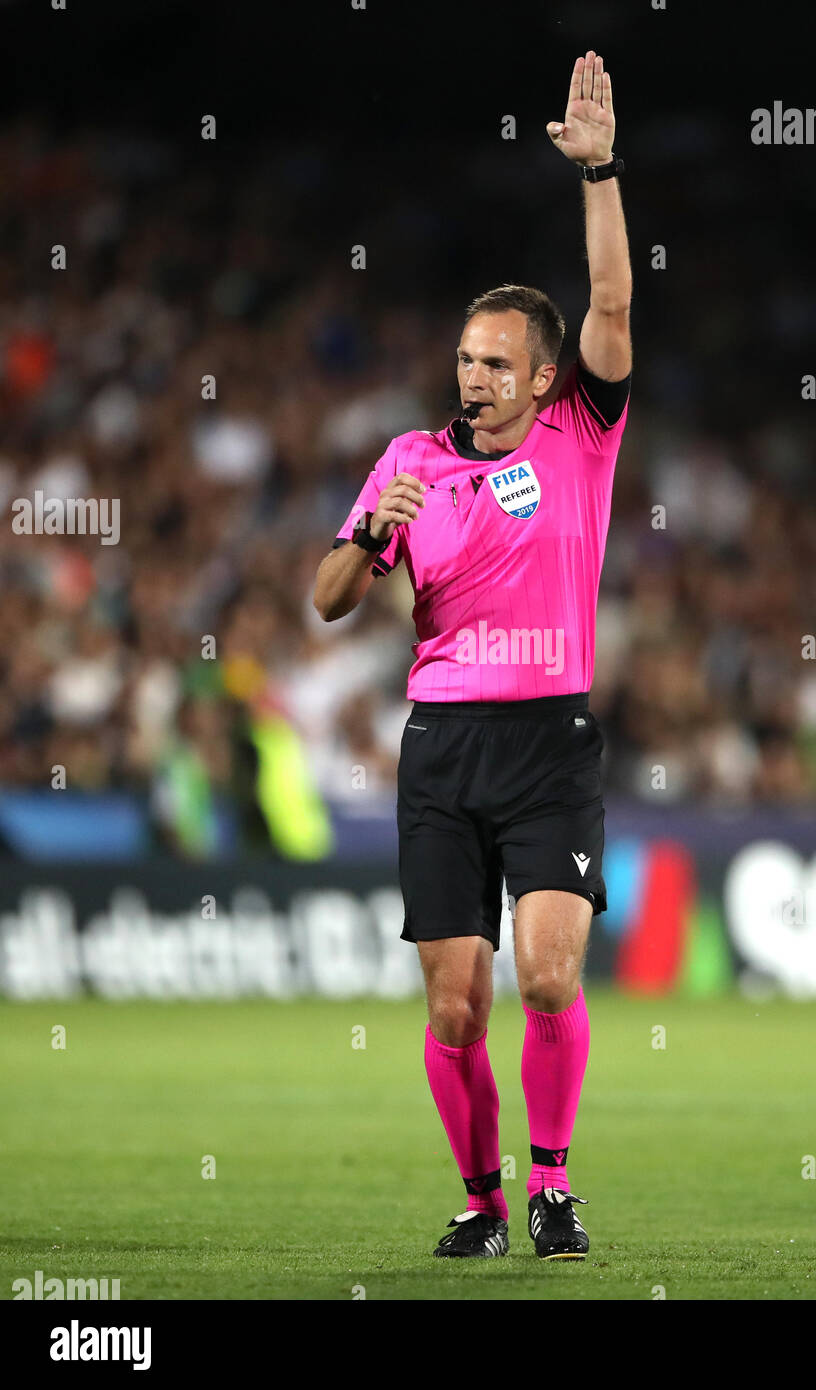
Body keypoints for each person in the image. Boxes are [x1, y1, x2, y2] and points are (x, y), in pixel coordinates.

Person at [314, 50, 632, 1260]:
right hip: (442, 749)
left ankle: (551, 1184)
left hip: (550, 740)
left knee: (549, 981)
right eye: (465, 357)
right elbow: (329, 596)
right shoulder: (409, 461)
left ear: (545, 378)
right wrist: (373, 537)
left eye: (500, 361)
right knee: (457, 1006)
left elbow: (612, 304)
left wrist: (599, 170)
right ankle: (483, 1203)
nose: (477, 375)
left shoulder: (579, 434)